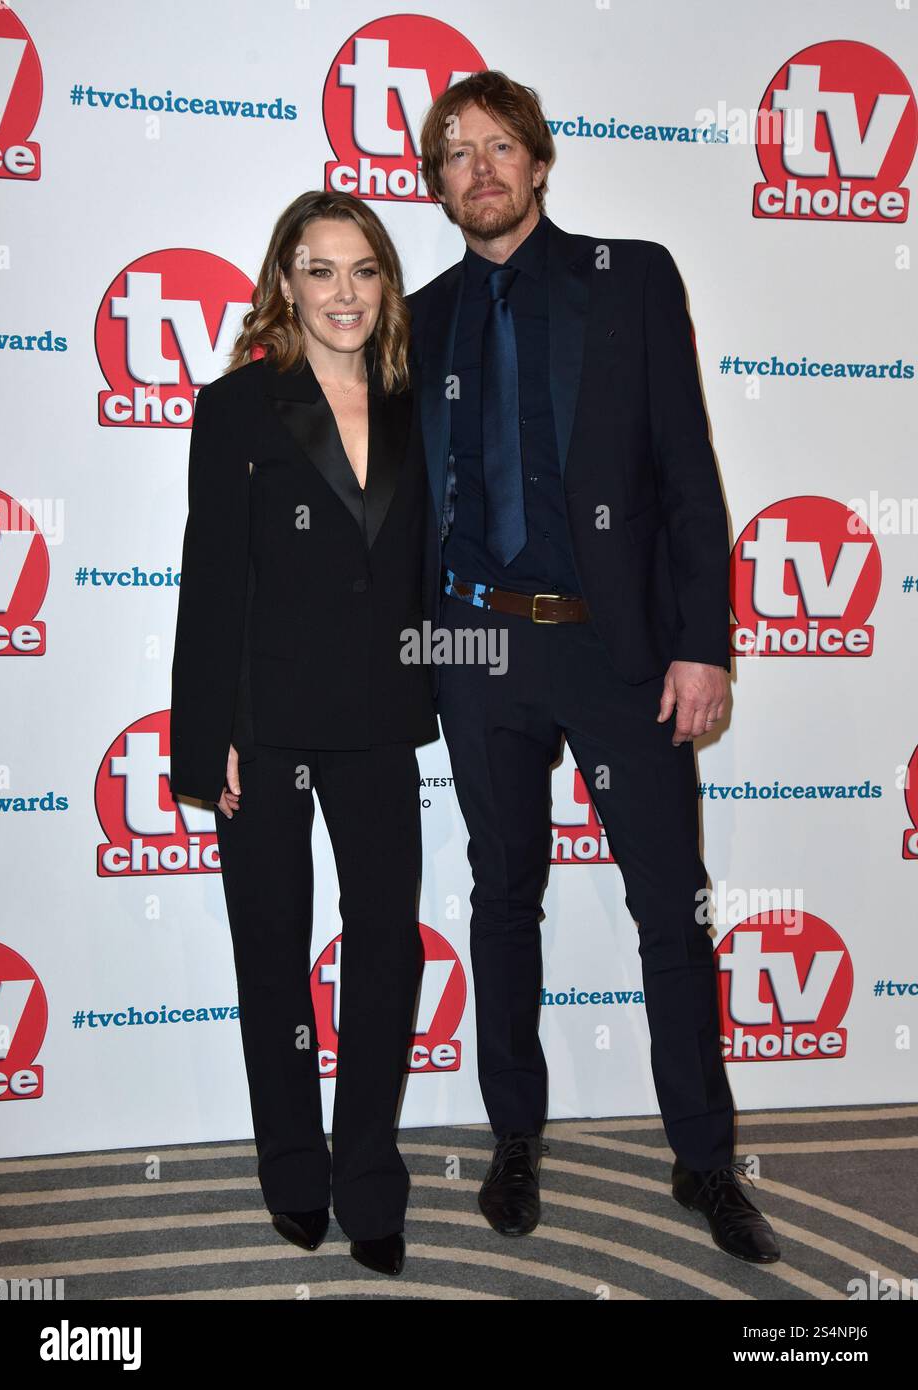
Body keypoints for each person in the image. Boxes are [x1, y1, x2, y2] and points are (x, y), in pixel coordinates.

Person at [406, 70, 780, 1263]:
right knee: (501, 897)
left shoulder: (632, 278)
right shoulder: (417, 316)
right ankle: (515, 1135)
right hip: (476, 643)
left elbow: (685, 468)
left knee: (669, 905)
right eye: (456, 152)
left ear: (539, 158)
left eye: (499, 144)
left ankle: (704, 1160)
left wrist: (701, 641)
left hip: (617, 648)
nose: (481, 168)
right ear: (437, 183)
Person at [169, 190, 438, 1278]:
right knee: (271, 952)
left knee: (386, 948)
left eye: (363, 270)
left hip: (380, 718)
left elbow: (427, 569)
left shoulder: (419, 405)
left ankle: (369, 1173)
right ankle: (291, 1168)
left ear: (385, 285)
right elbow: (210, 578)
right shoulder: (238, 406)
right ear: (286, 281)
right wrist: (207, 737)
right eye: (320, 270)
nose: (343, 293)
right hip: (266, 725)